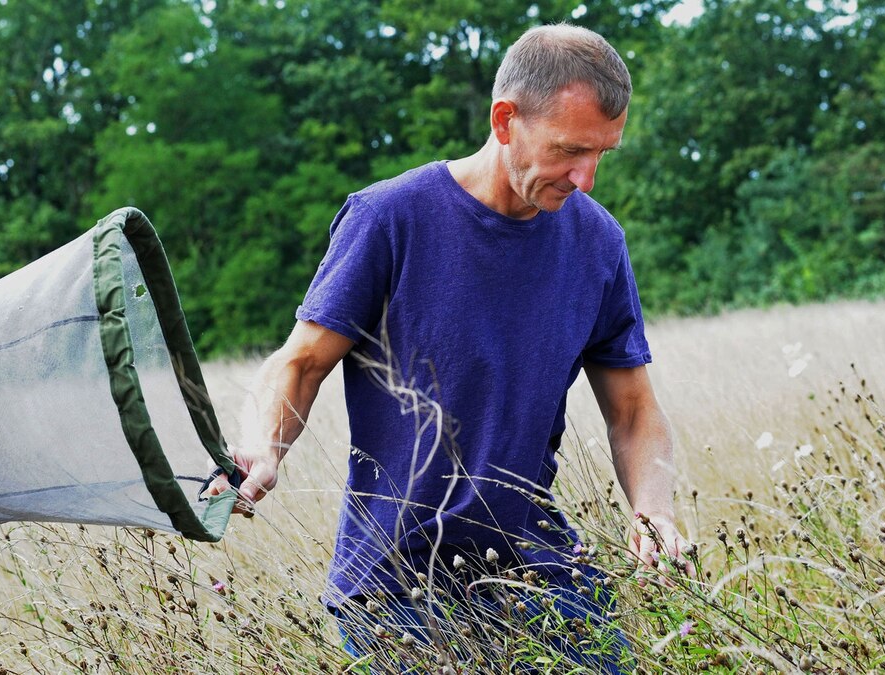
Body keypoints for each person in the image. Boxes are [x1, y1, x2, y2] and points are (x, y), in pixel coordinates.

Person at [210, 23, 693, 672]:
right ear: (505, 120)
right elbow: (300, 361)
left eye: (604, 152)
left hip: (537, 565)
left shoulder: (599, 244)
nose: (588, 179)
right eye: (570, 150)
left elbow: (634, 411)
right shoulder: (389, 220)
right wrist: (263, 448)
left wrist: (653, 511)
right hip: (396, 582)